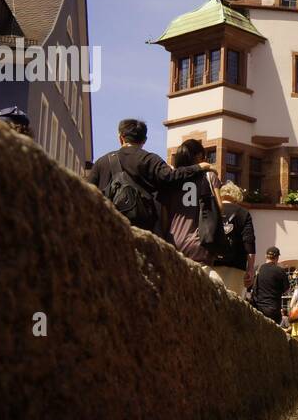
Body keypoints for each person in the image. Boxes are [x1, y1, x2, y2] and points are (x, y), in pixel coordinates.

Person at [87, 119, 212, 233]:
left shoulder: (102, 162)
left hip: (107, 226)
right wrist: (198, 167)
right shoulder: (150, 159)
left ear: (121, 138)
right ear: (144, 140)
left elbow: (88, 192)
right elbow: (170, 177)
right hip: (140, 229)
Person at [156, 139, 223, 279]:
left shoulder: (171, 180)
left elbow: (163, 216)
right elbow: (220, 208)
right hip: (199, 243)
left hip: (173, 242)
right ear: (199, 157)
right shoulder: (208, 176)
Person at [212, 181, 256, 296]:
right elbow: (249, 242)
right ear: (237, 197)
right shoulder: (243, 213)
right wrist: (250, 269)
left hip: (212, 263)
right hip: (236, 267)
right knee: (232, 306)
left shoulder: (212, 209)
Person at [252, 247, 290, 324]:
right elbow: (287, 290)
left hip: (258, 308)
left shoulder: (257, 269)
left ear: (266, 256)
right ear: (277, 257)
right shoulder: (280, 271)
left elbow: (250, 287)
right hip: (273, 310)